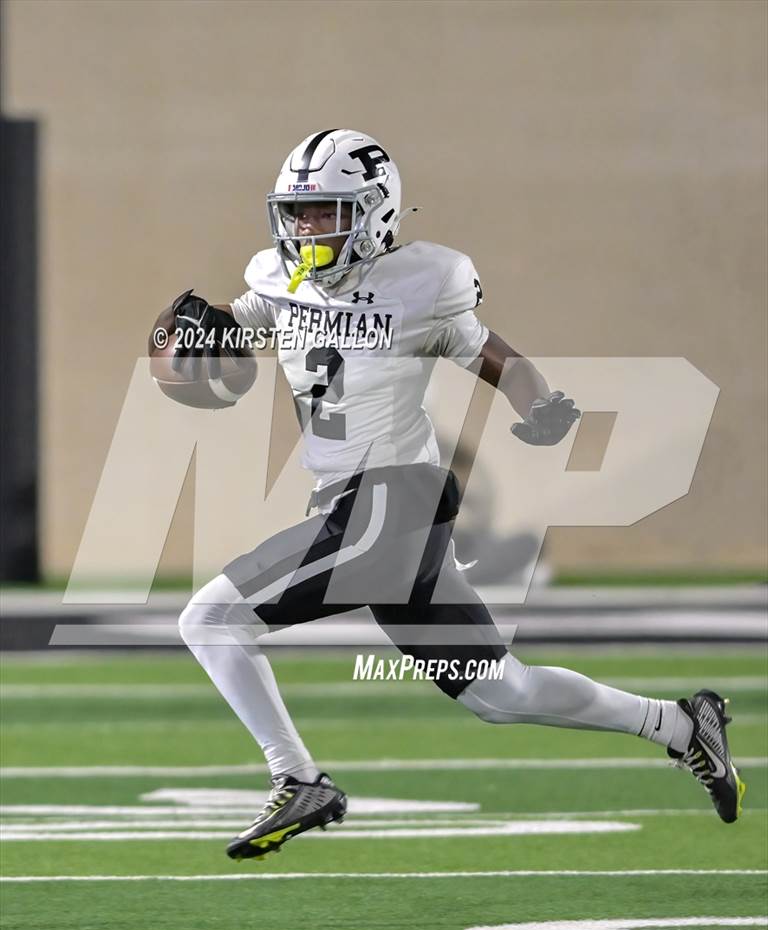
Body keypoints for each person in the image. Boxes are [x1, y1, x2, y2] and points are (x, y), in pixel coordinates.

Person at [153, 130, 744, 861]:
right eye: (297, 213)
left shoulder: (426, 281)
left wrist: (541, 402)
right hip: (366, 506)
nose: (306, 229)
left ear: (374, 212)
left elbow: (486, 349)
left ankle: (298, 778)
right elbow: (241, 324)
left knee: (210, 618)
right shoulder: (278, 278)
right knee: (503, 694)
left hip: (391, 500)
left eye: (326, 212)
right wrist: (193, 338)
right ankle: (683, 725)